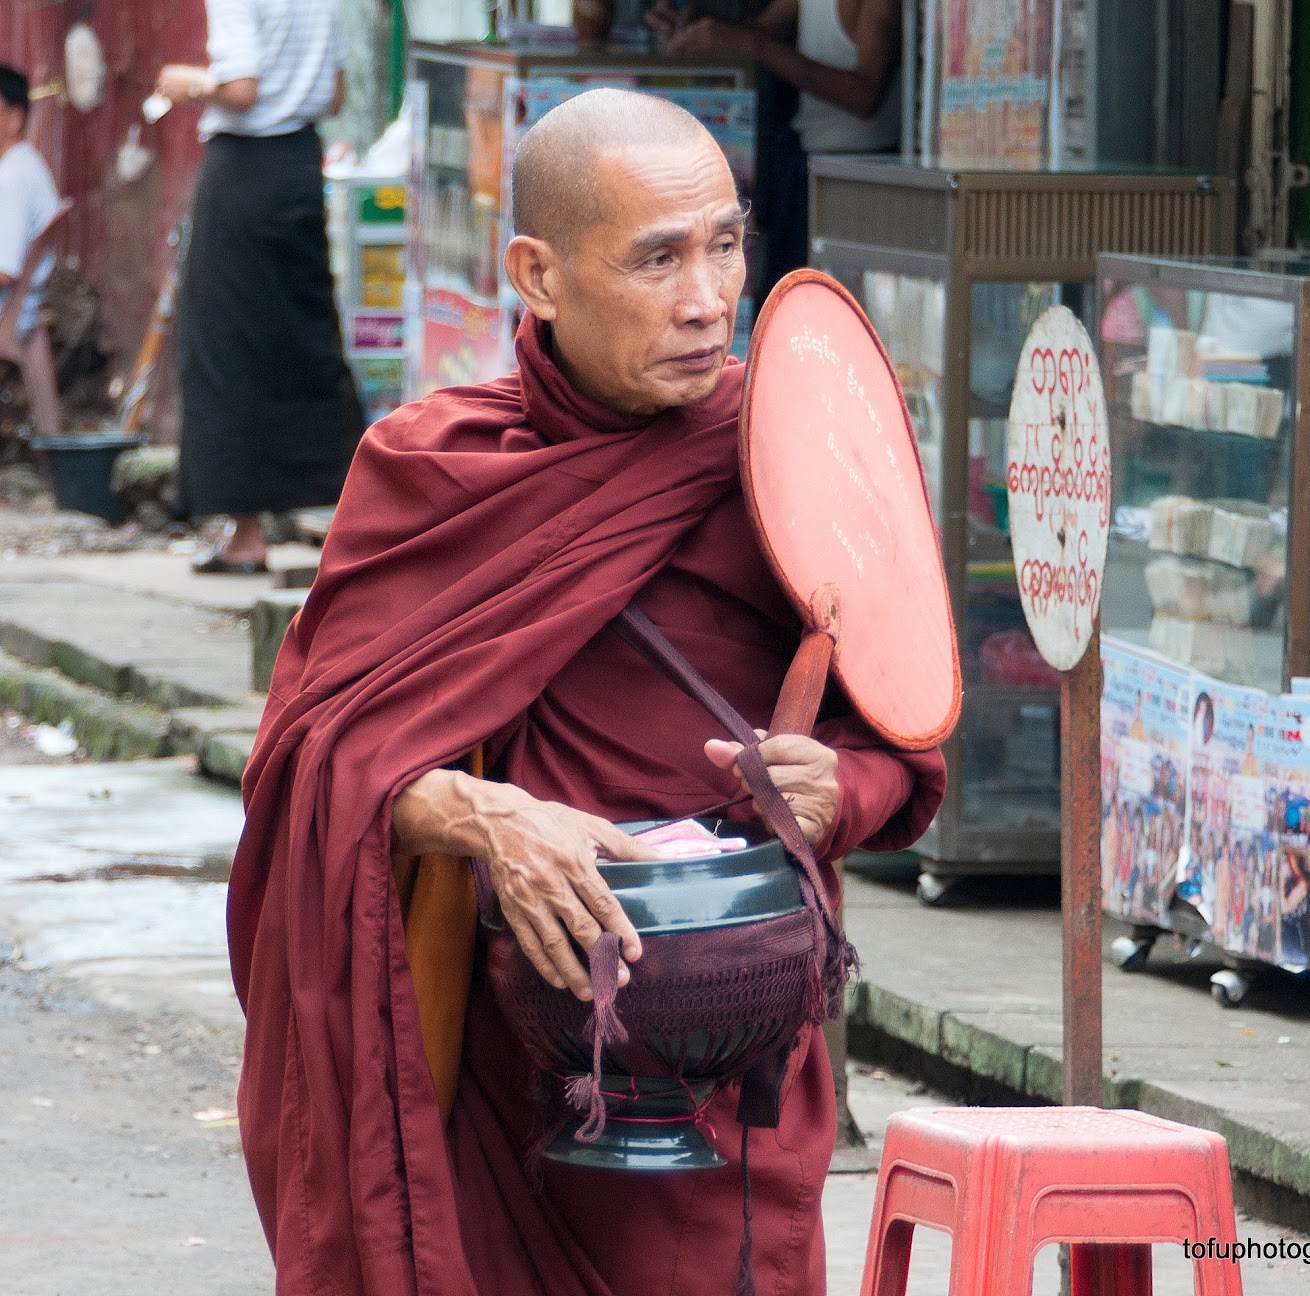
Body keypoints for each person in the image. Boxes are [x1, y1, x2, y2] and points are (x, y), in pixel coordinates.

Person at [227, 89, 944, 1294]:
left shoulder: (794, 454)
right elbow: (312, 763)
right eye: (657, 260)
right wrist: (482, 817)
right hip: (495, 1056)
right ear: (538, 277)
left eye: (725, 245)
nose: (706, 298)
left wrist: (840, 788)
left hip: (722, 1057)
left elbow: (903, 742)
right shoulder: (435, 471)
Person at [156, 0, 363, 574]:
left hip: (244, 172)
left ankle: (244, 533)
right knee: (307, 336)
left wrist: (187, 82)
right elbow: (335, 95)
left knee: (224, 344)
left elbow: (241, 89)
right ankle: (353, 513)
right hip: (298, 164)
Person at [647, 0, 901, 298]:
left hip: (861, 177)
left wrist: (750, 44)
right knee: (791, 298)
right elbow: (756, 31)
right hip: (809, 166)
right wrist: (698, 28)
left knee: (833, 303)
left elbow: (864, 95)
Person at [0, 65, 62, 342]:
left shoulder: (11, 177)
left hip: (14, 313)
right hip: (28, 306)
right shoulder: (26, 163)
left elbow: (6, 271)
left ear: (14, 119)